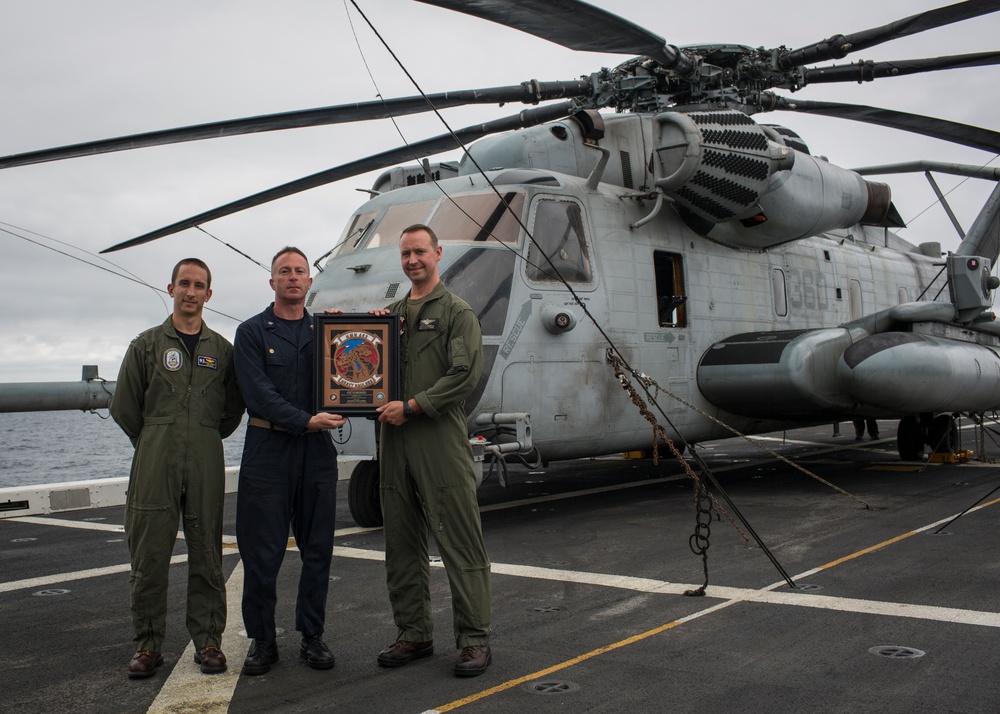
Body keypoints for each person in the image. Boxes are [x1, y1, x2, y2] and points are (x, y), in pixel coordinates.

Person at [110, 258, 244, 679]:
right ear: (170, 289)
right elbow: (124, 407)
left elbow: (231, 410)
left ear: (209, 294)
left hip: (205, 456)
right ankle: (147, 645)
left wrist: (201, 434)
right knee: (149, 555)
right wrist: (154, 440)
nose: (191, 291)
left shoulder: (222, 351)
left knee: (207, 554)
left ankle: (207, 643)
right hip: (155, 460)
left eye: (199, 285)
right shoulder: (146, 345)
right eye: (183, 283)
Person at [371, 224, 493, 677]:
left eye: (420, 251)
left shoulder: (457, 312)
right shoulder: (390, 315)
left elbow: (465, 376)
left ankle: (475, 639)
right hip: (394, 439)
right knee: (401, 542)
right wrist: (346, 329)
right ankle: (414, 634)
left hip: (437, 436)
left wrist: (415, 405)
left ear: (437, 253)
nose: (412, 260)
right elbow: (363, 364)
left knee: (459, 539)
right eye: (405, 253)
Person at [234, 246, 345, 676]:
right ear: (272, 281)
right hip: (269, 449)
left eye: (300, 271)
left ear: (310, 281)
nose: (293, 277)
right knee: (262, 554)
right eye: (285, 271)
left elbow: (354, 371)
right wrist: (306, 420)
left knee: (318, 550)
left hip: (316, 453)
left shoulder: (326, 332)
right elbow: (258, 394)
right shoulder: (251, 333)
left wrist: (353, 328)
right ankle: (263, 640)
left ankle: (312, 636)